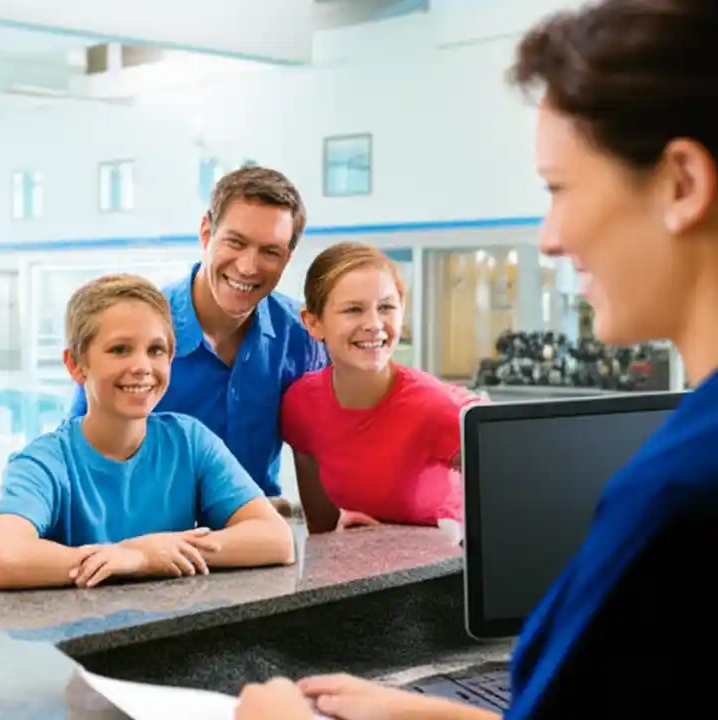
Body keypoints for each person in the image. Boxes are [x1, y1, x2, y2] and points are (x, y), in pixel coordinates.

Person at [235, 0, 718, 717]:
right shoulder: (686, 457)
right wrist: (420, 711)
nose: (549, 237)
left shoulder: (679, 492)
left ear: (681, 184)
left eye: (560, 189)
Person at [0, 274, 293, 590]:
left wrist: (154, 555)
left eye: (156, 350)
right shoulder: (42, 463)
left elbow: (276, 539)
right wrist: (129, 557)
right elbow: (7, 557)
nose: (142, 366)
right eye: (120, 350)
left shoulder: (189, 442)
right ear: (76, 365)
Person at [69, 167, 328, 516]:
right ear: (206, 233)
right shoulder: (133, 327)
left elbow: (326, 445)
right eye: (235, 242)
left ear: (288, 257)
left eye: (270, 251)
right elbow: (78, 455)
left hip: (254, 540)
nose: (249, 267)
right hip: (145, 538)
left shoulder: (301, 335)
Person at [279, 242, 480, 539]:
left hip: (445, 571)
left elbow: (513, 495)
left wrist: (400, 538)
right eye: (353, 310)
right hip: (363, 573)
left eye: (386, 307)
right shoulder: (301, 405)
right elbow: (322, 532)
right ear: (313, 323)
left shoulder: (437, 407)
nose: (374, 324)